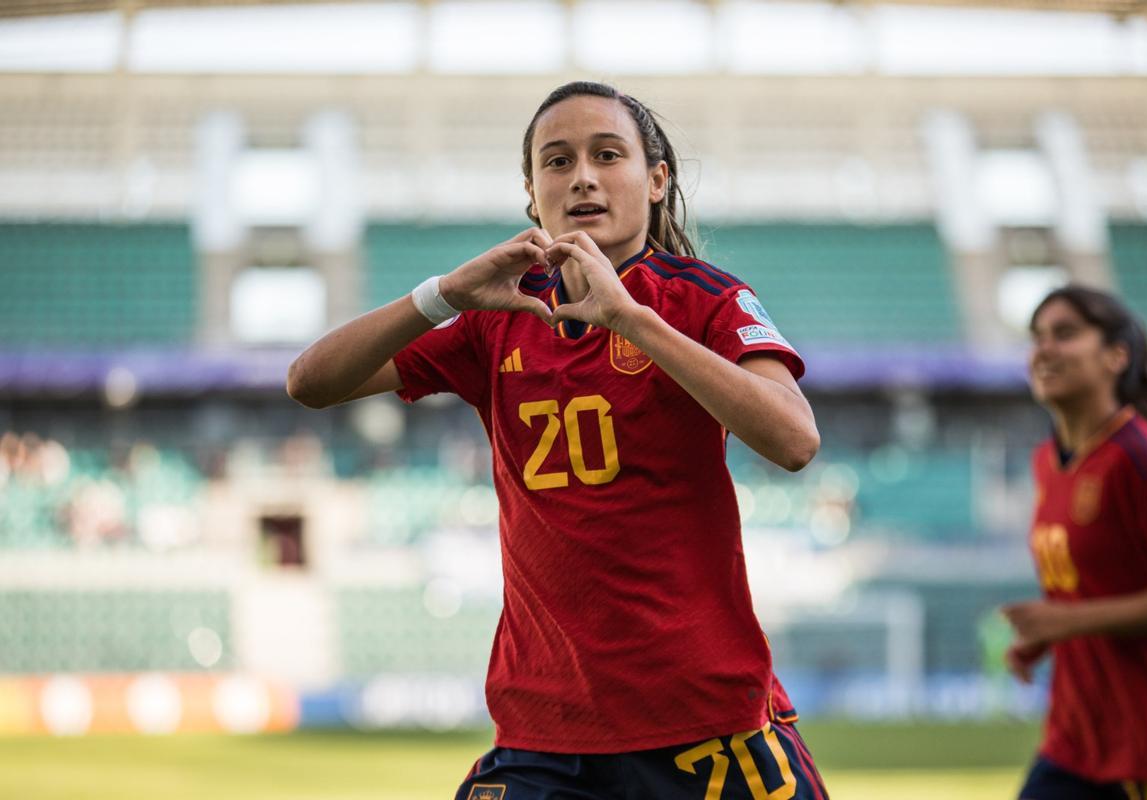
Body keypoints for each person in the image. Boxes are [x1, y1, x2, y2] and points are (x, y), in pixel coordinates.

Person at [288, 80, 827, 799]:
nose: (582, 177)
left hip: (705, 722)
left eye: (608, 155)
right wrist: (443, 293)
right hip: (544, 732)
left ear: (656, 179)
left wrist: (632, 319)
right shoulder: (498, 317)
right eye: (557, 160)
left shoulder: (706, 297)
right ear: (530, 191)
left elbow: (795, 439)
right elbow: (310, 382)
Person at [1003, 285, 1147, 799]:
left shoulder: (1141, 459)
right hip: (1074, 738)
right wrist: (1050, 633)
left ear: (1117, 355)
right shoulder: (1047, 461)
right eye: (1037, 337)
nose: (1044, 349)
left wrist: (1067, 621)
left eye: (1064, 334)